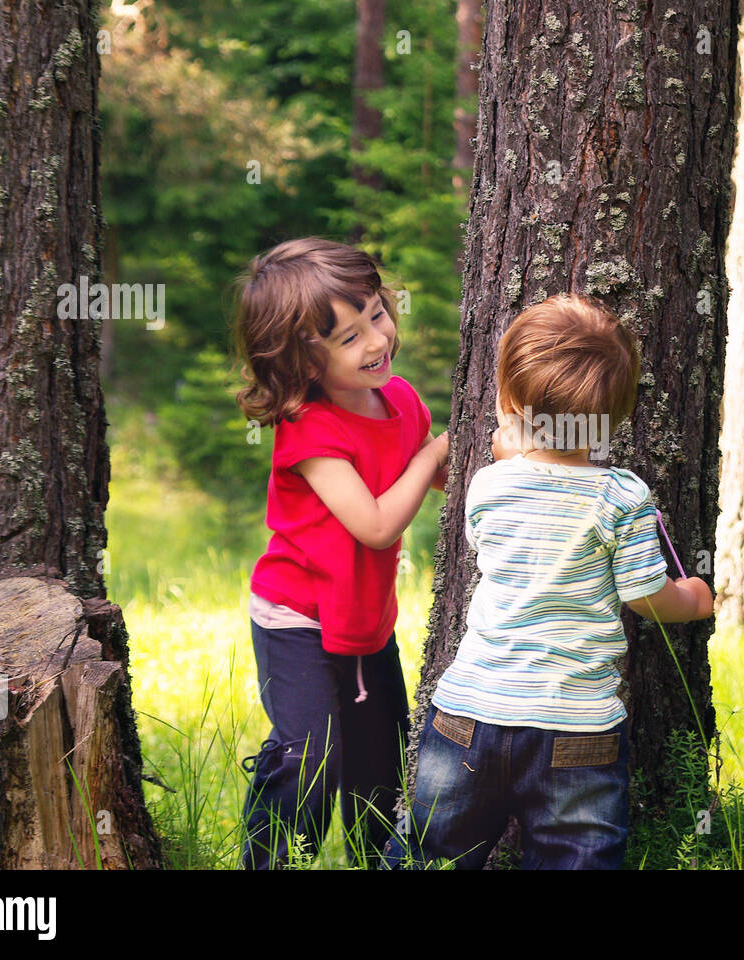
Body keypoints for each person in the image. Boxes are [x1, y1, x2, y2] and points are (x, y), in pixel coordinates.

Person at [386, 292, 713, 869]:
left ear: (508, 401)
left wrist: (516, 448)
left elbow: (501, 514)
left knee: (428, 855)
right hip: (575, 730)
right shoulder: (622, 495)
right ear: (616, 418)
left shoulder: (487, 484)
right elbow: (645, 598)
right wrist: (691, 599)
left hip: (469, 718)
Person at [232, 237, 448, 869]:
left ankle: (374, 861)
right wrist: (434, 455)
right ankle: (270, 860)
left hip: (364, 620)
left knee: (382, 762)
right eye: (348, 339)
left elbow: (428, 474)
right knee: (310, 754)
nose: (376, 342)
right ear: (301, 362)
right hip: (296, 618)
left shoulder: (401, 400)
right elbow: (377, 525)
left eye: (376, 315)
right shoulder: (312, 430)